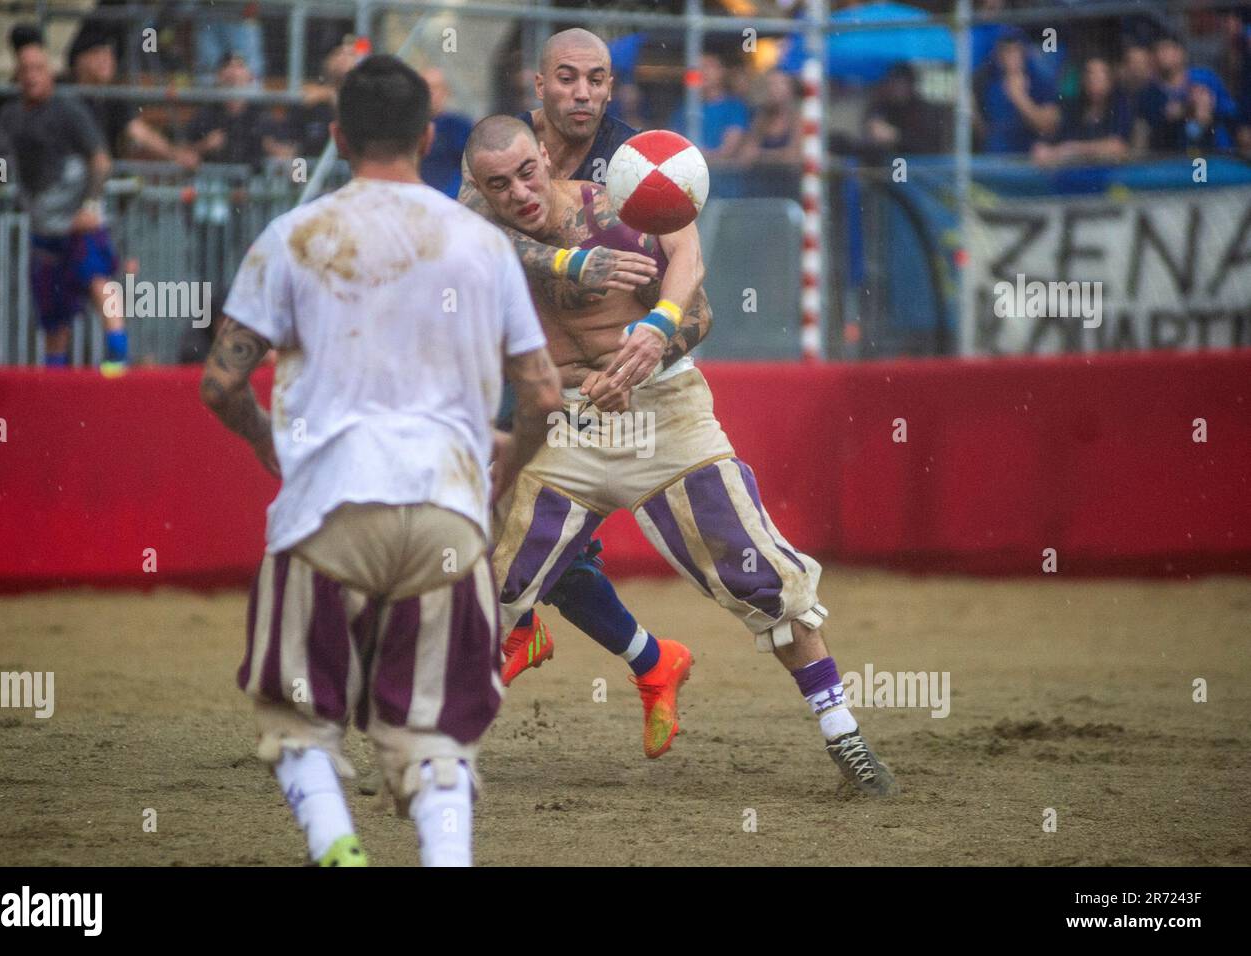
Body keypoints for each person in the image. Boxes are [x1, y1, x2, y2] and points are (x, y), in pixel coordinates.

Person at [466, 115, 899, 796]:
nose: (520, 191)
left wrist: (656, 334)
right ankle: (437, 754)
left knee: (769, 581)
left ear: (545, 155)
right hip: (562, 424)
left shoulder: (612, 209)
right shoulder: (477, 238)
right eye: (499, 183)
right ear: (478, 188)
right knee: (485, 587)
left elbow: (693, 289)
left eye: (527, 171)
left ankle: (847, 741)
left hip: (664, 412)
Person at [200, 55, 562, 867]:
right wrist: (501, 475)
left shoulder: (295, 235)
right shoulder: (480, 243)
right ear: (430, 137)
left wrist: (274, 448)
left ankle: (336, 847)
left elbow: (222, 384)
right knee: (436, 736)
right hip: (446, 516)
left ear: (337, 136)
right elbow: (541, 392)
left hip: (329, 507)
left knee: (298, 719)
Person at [460, 28, 703, 760]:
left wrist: (644, 353)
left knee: (539, 544)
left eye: (597, 79)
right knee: (505, 529)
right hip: (517, 365)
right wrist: (571, 260)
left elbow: (698, 305)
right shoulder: (503, 150)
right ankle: (647, 660)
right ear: (539, 86)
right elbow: (470, 238)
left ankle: (635, 656)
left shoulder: (637, 166)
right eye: (567, 78)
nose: (583, 93)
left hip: (601, 391)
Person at [0, 25, 128, 371]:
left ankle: (118, 352)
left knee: (97, 279)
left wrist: (91, 204)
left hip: (78, 215)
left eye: (38, 69)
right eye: (26, 70)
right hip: (45, 223)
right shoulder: (13, 116)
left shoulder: (69, 110)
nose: (32, 77)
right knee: (52, 304)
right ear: (18, 75)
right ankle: (55, 372)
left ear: (49, 72)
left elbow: (101, 160)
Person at [68, 28, 199, 168]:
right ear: (79, 60)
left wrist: (175, 154)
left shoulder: (112, 96)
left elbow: (137, 130)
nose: (106, 59)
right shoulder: (64, 96)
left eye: (109, 53)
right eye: (97, 53)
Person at [185, 53, 289, 168]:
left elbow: (294, 155)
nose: (233, 72)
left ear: (250, 77)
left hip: (256, 181)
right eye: (228, 66)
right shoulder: (206, 113)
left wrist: (275, 149)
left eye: (239, 66)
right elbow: (182, 152)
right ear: (219, 76)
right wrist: (204, 146)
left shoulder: (263, 114)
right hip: (216, 180)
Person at [1033, 56, 1134, 166]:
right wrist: (1047, 150)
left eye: (1100, 76)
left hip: (1111, 175)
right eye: (1090, 75)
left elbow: (1117, 146)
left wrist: (1073, 149)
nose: (1094, 81)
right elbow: (1050, 144)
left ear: (1110, 81)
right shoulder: (1073, 108)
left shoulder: (1120, 106)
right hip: (1075, 173)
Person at [974, 31, 1060, 154]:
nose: (1010, 57)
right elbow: (984, 130)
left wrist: (1019, 98)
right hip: (993, 158)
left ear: (1024, 53)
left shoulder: (1040, 83)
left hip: (1026, 159)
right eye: (1005, 51)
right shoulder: (988, 83)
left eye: (1015, 51)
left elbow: (1048, 127)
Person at [671, 51, 752, 166]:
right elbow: (673, 147)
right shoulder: (686, 107)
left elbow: (728, 151)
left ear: (722, 71)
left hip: (724, 178)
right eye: (699, 67)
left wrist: (693, 156)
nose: (703, 72)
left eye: (709, 66)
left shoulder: (735, 107)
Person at [420, 67, 474, 198]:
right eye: (425, 87)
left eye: (435, 87)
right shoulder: (408, 127)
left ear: (446, 91)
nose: (430, 93)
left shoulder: (461, 126)